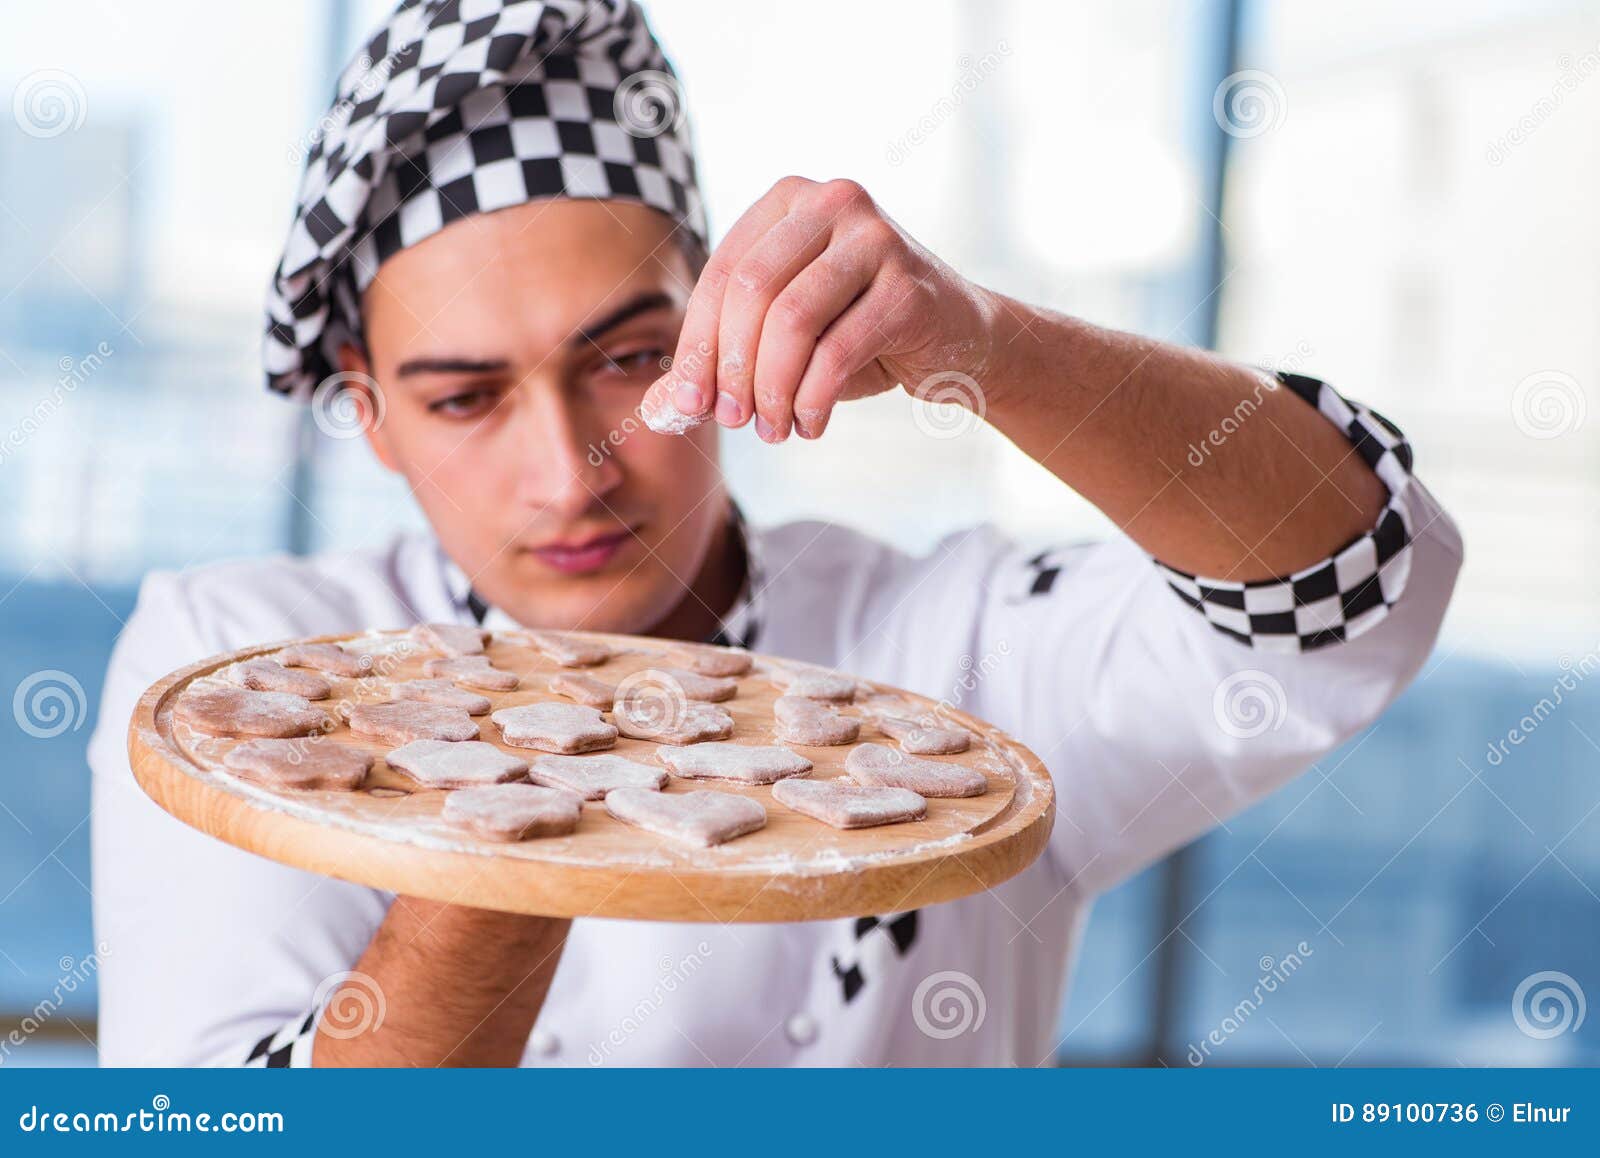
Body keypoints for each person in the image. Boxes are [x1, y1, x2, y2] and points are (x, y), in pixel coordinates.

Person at [89, 0, 1461, 1067]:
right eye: (462, 398)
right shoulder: (247, 676)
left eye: (631, 360)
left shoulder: (951, 659)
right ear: (371, 415)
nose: (570, 473)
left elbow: (1354, 586)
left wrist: (985, 343)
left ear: (718, 326)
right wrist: (515, 755)